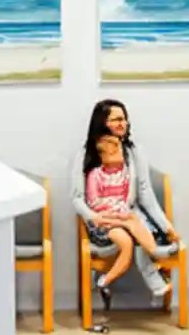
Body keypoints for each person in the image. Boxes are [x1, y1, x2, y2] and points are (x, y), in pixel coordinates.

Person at [72, 99, 180, 307]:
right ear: (103, 122)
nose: (123, 123)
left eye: (124, 119)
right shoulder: (87, 155)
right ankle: (150, 275)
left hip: (127, 214)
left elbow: (145, 194)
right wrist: (94, 216)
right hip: (102, 219)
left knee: (142, 226)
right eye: (116, 119)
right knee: (133, 231)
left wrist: (168, 227)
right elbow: (78, 198)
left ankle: (152, 277)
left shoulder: (133, 151)